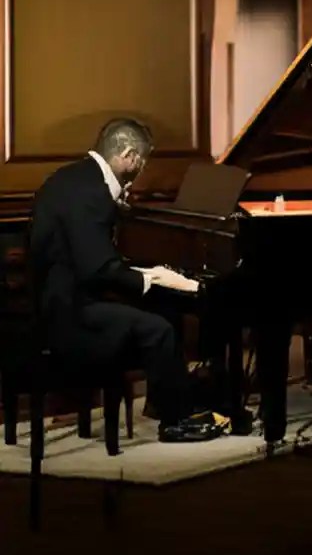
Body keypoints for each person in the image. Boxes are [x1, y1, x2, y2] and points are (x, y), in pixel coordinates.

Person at [27, 118, 223, 443]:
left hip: (64, 297)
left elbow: (92, 260)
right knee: (158, 329)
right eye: (142, 161)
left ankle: (166, 404)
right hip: (70, 314)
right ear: (130, 155)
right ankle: (174, 422)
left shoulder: (75, 178)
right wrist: (153, 279)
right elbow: (99, 268)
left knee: (165, 313)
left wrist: (144, 276)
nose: (141, 169)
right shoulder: (92, 193)